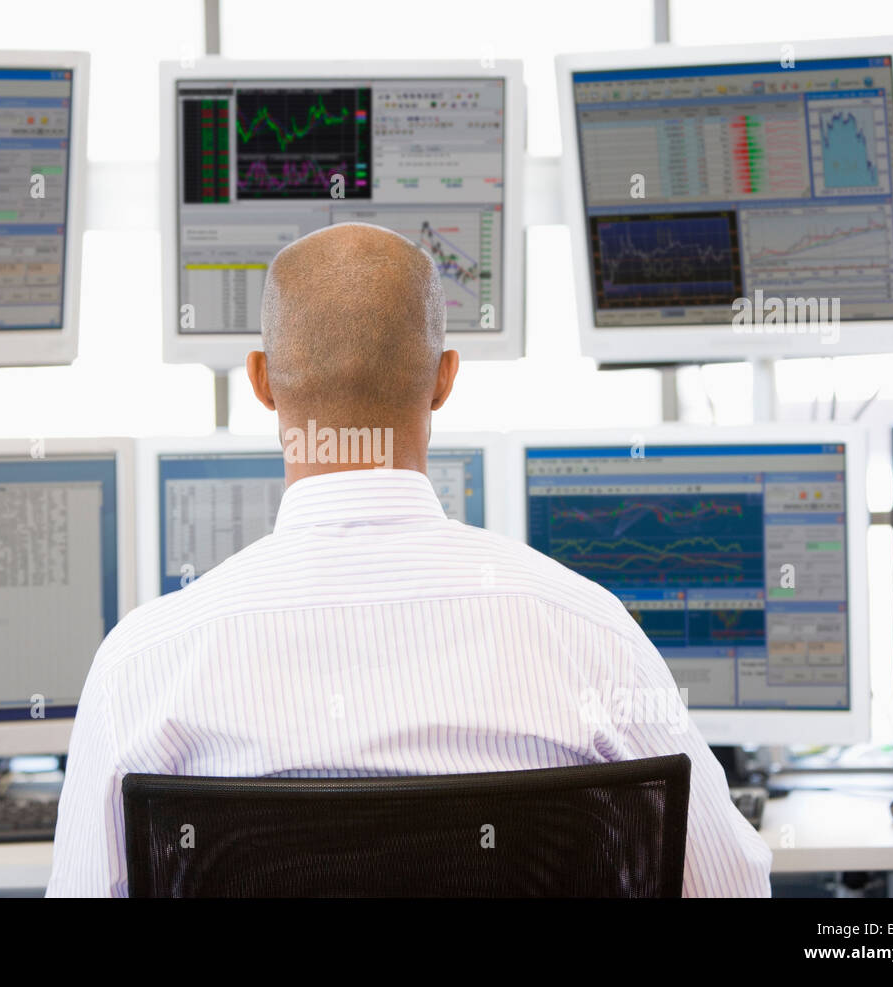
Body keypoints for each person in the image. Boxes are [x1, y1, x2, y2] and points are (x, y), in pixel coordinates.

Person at [47, 222, 772, 897]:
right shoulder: (590, 635)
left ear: (262, 382)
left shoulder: (140, 669)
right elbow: (732, 885)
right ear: (444, 378)